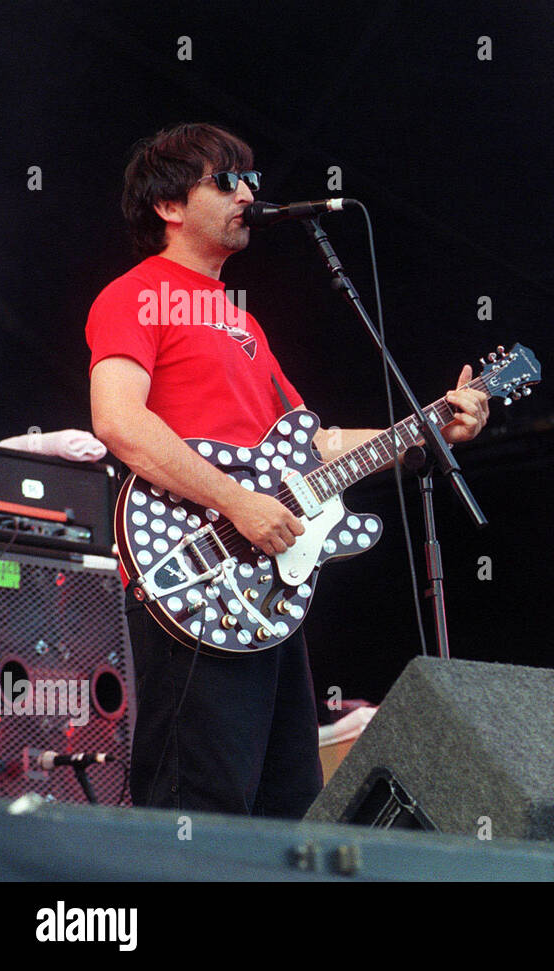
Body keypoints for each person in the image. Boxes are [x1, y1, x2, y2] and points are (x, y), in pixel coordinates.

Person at [86, 123, 489, 817]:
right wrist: (236, 501)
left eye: (251, 180)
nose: (248, 193)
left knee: (287, 807)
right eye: (226, 180)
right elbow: (119, 420)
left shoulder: (242, 322)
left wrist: (426, 429)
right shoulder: (135, 294)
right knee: (200, 808)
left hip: (264, 596)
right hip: (193, 577)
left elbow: (314, 445)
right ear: (169, 206)